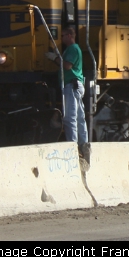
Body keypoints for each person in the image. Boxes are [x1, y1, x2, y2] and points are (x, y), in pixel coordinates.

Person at [46, 26, 90, 162]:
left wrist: (54, 58)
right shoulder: (72, 50)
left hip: (71, 85)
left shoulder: (73, 49)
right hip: (75, 85)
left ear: (70, 35)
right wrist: (55, 52)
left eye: (64, 35)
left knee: (70, 118)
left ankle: (73, 147)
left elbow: (67, 65)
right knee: (80, 117)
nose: (62, 37)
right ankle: (83, 145)